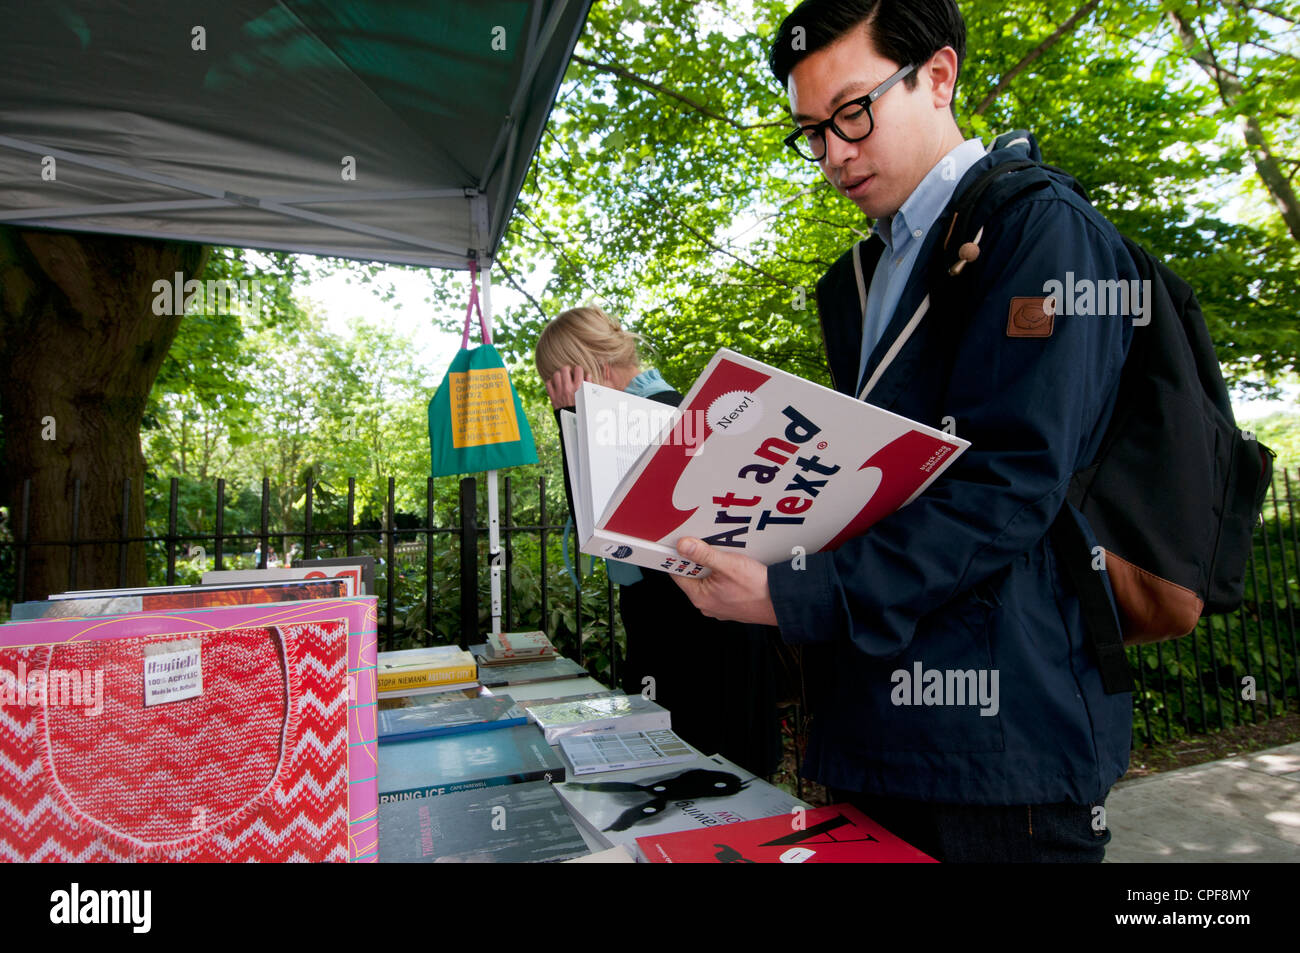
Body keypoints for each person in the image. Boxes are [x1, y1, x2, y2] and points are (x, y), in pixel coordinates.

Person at [671, 0, 1136, 862]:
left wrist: (792, 594)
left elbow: (1010, 485)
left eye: (853, 112)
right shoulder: (866, 273)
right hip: (875, 733)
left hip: (998, 754)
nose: (834, 155)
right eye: (812, 131)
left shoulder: (1040, 233)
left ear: (939, 76)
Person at [535, 306, 782, 777]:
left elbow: (603, 528)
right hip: (677, 618)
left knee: (702, 769)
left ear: (585, 369)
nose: (561, 395)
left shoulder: (653, 417)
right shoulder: (668, 409)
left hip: (695, 626)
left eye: (561, 381)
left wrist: (571, 417)